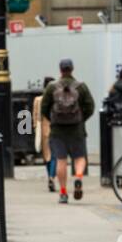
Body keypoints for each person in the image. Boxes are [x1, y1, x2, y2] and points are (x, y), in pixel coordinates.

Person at [40, 58, 95, 205]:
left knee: (61, 161)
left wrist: (53, 120)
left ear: (60, 70)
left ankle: (63, 193)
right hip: (77, 129)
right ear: (72, 69)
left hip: (58, 130)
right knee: (80, 158)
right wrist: (81, 118)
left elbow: (44, 108)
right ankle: (78, 177)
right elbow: (90, 106)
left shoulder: (52, 87)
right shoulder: (81, 87)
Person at [33, 76, 56, 192]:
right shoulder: (57, 99)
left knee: (47, 156)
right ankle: (52, 176)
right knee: (55, 156)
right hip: (56, 130)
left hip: (43, 131)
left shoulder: (38, 100)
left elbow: (35, 119)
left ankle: (49, 177)